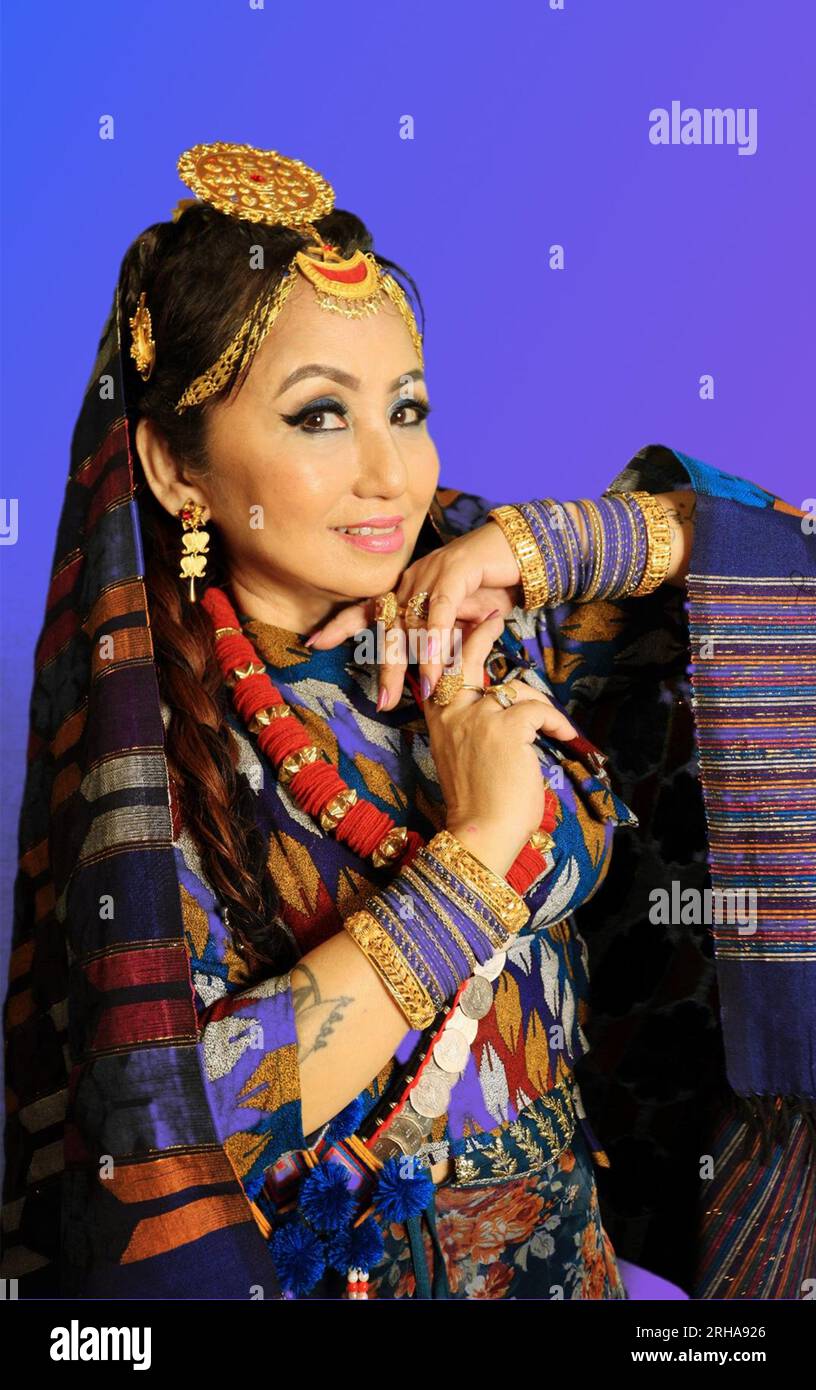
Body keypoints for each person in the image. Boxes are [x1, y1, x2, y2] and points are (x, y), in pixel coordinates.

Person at [2, 141, 813, 1301]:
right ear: (177, 470)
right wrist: (481, 849)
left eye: (409, 406)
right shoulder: (163, 746)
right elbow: (170, 1131)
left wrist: (538, 545)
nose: (394, 473)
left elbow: (780, 575)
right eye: (321, 416)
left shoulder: (478, 617)